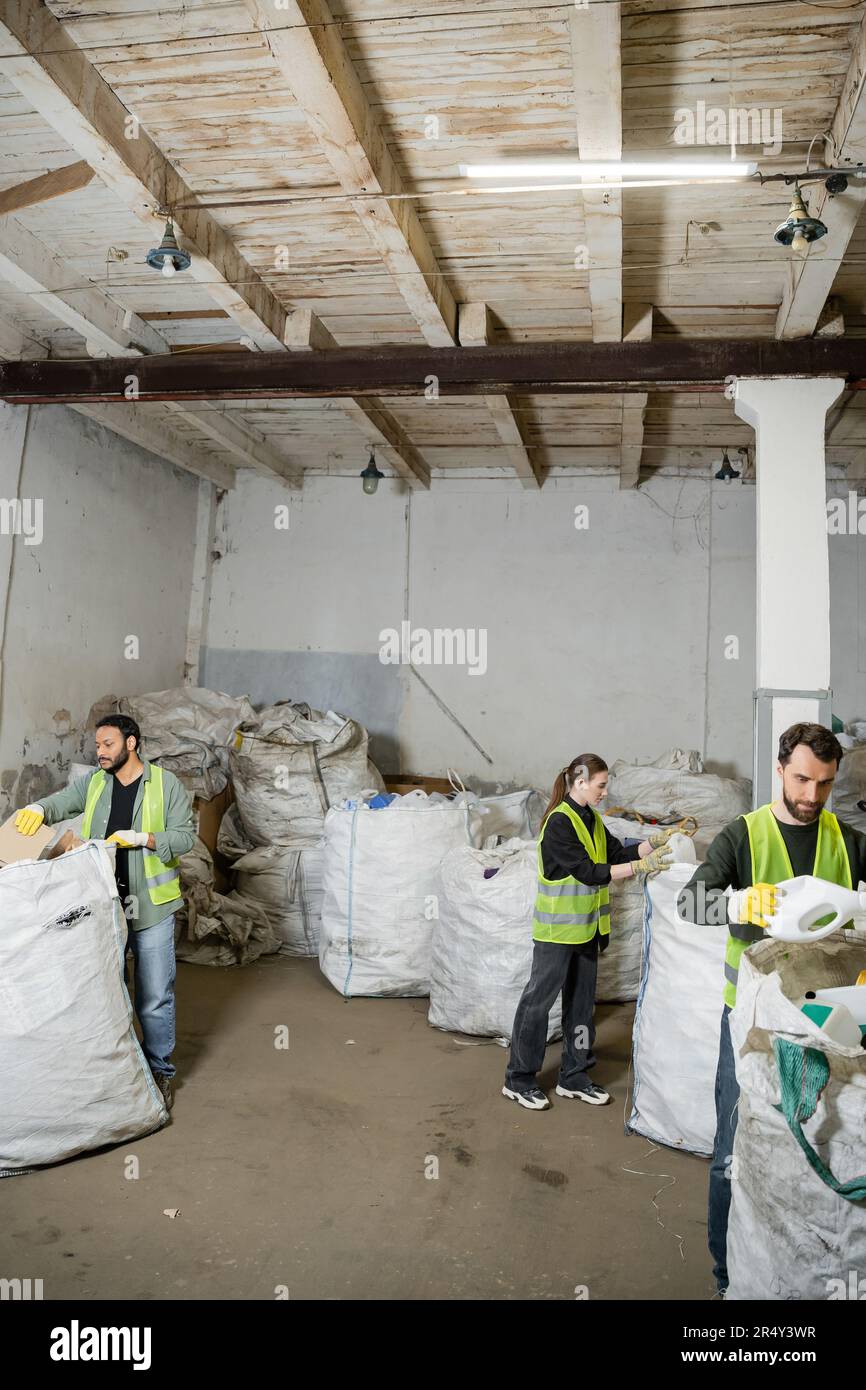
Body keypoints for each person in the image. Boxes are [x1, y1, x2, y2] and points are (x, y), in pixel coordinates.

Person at [677, 721, 866, 1296]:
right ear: (780, 769)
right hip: (755, 1026)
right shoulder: (744, 836)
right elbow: (690, 904)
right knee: (735, 1149)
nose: (812, 796)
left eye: (825, 785)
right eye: (803, 779)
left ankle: (806, 1269)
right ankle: (728, 1275)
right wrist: (736, 902)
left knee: (821, 1148)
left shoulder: (847, 840)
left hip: (830, 1023)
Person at [15, 715, 195, 1111]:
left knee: (154, 996)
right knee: (109, 991)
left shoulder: (165, 785)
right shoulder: (96, 782)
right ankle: (121, 1073)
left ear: (131, 744)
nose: (100, 752)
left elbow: (186, 836)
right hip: (106, 904)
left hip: (152, 908)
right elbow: (63, 802)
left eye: (108, 744)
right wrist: (38, 809)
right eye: (98, 745)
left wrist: (145, 839)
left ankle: (161, 1071)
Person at [503, 753, 675, 1111]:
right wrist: (639, 867)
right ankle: (518, 1079)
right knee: (537, 1004)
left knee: (581, 1009)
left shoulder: (591, 820)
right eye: (601, 785)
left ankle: (575, 1075)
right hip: (556, 934)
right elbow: (589, 871)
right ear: (580, 783)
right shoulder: (559, 823)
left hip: (585, 932)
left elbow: (615, 853)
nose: (605, 791)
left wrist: (654, 843)